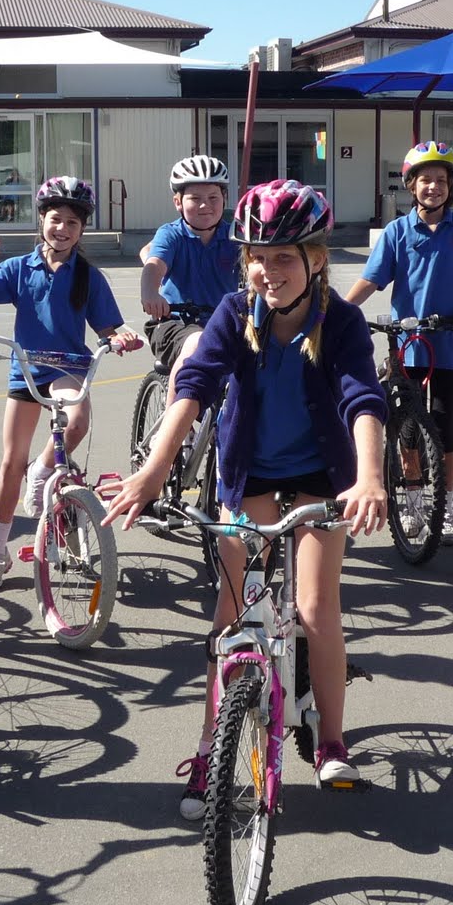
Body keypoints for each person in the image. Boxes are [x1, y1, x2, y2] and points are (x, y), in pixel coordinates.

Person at [103, 179, 388, 819]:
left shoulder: (339, 320)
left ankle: (332, 741)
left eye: (284, 256)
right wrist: (153, 471)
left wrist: (369, 476)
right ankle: (210, 746)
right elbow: (196, 385)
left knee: (316, 607)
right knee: (232, 615)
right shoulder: (236, 312)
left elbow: (361, 398)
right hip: (250, 474)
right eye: (256, 255)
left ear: (317, 258)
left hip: (321, 474)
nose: (267, 269)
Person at [0, 176, 139, 594]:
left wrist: (122, 335)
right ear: (41, 221)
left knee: (76, 422)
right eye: (55, 219)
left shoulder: (88, 276)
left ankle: (43, 470)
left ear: (82, 230)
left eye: (72, 223)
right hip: (27, 370)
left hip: (68, 368)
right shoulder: (18, 268)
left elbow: (110, 324)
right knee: (10, 462)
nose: (62, 228)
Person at [343, 142, 453, 545]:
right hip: (405, 342)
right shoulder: (398, 232)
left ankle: (443, 505)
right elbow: (372, 280)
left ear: (452, 187)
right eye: (425, 180)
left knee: (445, 426)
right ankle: (414, 501)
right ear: (411, 186)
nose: (434, 187)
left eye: (442, 181)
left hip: (448, 343)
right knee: (408, 429)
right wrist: (338, 310)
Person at [138, 154, 240, 394]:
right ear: (178, 202)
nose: (205, 205)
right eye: (195, 198)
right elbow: (154, 264)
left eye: (213, 197)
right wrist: (150, 293)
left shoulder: (235, 237)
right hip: (174, 323)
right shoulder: (171, 235)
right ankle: (174, 428)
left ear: (224, 198)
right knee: (197, 343)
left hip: (223, 323)